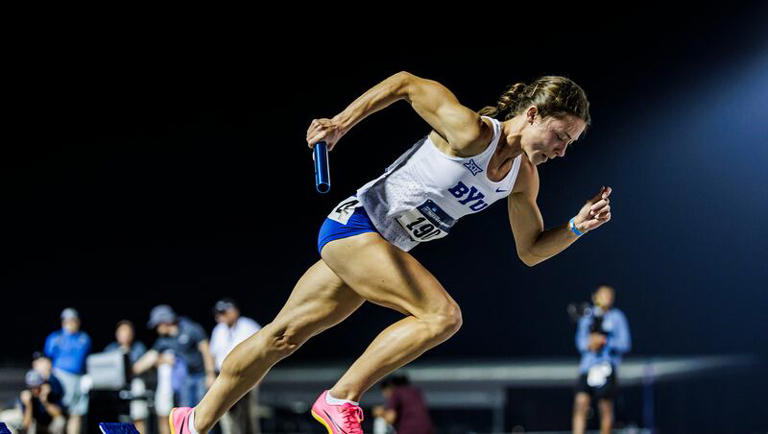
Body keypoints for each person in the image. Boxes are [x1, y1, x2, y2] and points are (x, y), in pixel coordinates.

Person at [170, 71, 612, 434]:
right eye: (560, 136)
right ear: (532, 115)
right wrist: (341, 122)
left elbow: (531, 251)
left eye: (570, 143)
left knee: (281, 336)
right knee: (442, 316)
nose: (562, 150)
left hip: (379, 246)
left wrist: (575, 226)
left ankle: (192, 422)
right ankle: (339, 397)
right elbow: (405, 83)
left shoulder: (522, 178)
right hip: (357, 225)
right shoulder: (471, 131)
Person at [572, 285, 631, 434]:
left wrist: (605, 342)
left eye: (610, 295)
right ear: (595, 297)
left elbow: (625, 344)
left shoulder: (617, 317)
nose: (607, 298)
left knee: (605, 407)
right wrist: (590, 343)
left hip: (606, 367)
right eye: (603, 295)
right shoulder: (587, 316)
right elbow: (580, 342)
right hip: (587, 367)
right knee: (580, 404)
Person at [134, 306, 216, 409]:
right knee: (186, 410)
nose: (156, 329)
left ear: (165, 321)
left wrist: (210, 374)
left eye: (157, 325)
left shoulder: (190, 328)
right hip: (185, 378)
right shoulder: (164, 340)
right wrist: (133, 369)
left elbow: (206, 351)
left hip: (201, 375)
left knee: (204, 409)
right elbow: (151, 356)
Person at [208, 299, 262, 434]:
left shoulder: (248, 326)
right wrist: (210, 375)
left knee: (248, 413)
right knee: (225, 412)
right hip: (223, 376)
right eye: (219, 314)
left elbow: (263, 351)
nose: (220, 317)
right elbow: (212, 354)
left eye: (224, 313)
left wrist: (260, 373)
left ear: (234, 312)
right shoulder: (218, 330)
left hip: (246, 375)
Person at [44, 308, 91, 434]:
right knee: (59, 412)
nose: (71, 323)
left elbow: (86, 360)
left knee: (76, 413)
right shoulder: (55, 338)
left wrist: (87, 376)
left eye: (73, 320)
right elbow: (47, 359)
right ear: (63, 322)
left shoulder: (84, 338)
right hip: (60, 378)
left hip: (78, 378)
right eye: (67, 321)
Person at [104, 321, 148, 434]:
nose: (124, 334)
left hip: (135, 385)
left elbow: (142, 368)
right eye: (121, 331)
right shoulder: (110, 349)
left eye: (127, 331)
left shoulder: (139, 348)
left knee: (138, 417)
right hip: (115, 389)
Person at [18, 369, 65, 434]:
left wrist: (45, 401)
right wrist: (28, 405)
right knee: (31, 424)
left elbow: (58, 415)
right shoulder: (27, 396)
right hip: (36, 425)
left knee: (60, 421)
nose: (35, 390)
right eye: (32, 387)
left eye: (37, 386)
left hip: (49, 424)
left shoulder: (50, 392)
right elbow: (26, 425)